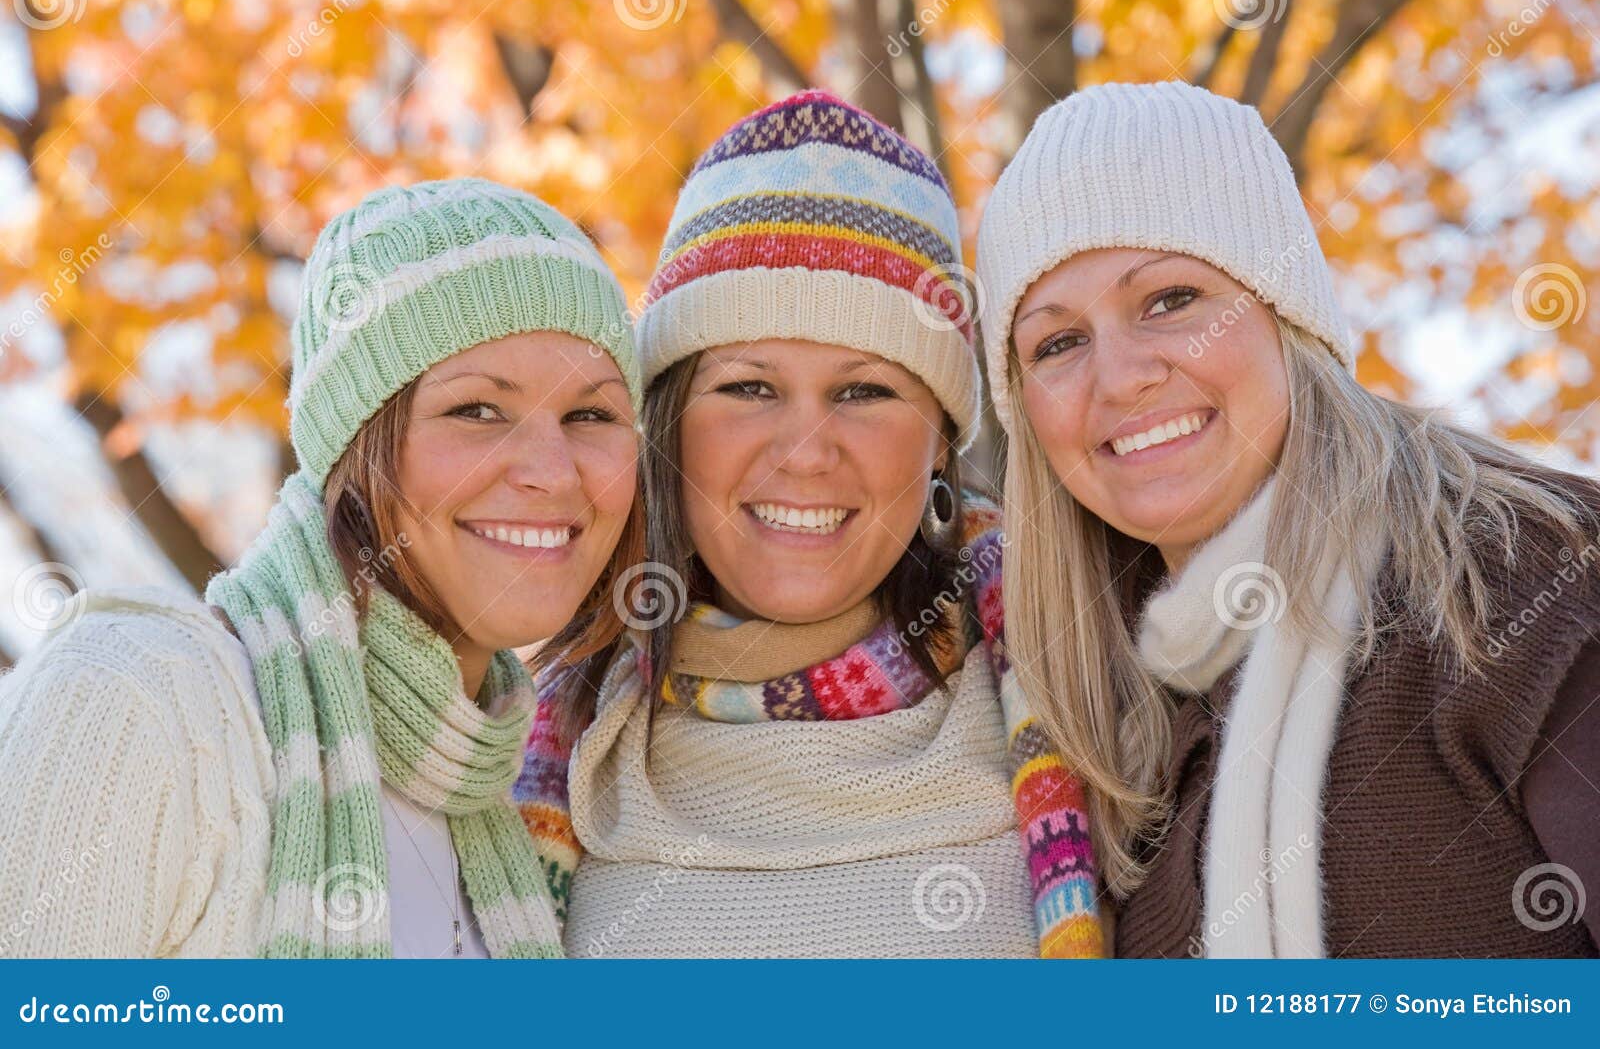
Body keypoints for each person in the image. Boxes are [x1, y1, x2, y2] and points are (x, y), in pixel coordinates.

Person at [974, 79, 1600, 957]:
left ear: (1284, 311)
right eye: (1057, 343)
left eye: (1171, 299)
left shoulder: (1524, 577)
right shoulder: (1101, 753)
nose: (1119, 378)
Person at [518, 90, 1103, 957]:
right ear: (668, 423)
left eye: (864, 391)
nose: (804, 452)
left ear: (940, 441)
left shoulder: (1084, 681)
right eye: (749, 388)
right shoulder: (545, 737)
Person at [0, 178, 642, 958]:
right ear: (355, 446)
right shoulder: (137, 697)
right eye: (477, 410)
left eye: (592, 414)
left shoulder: (515, 814)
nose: (553, 470)